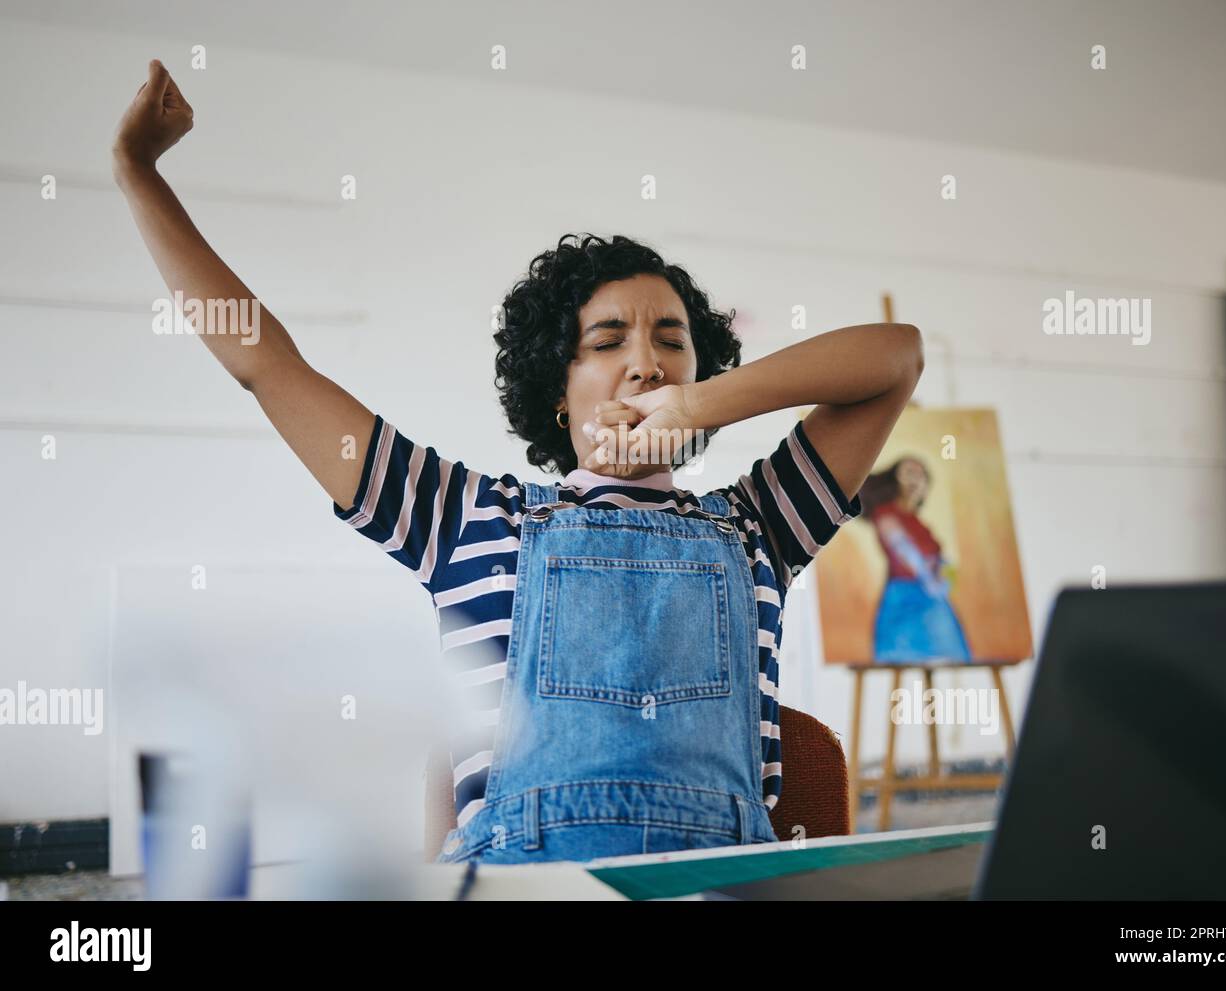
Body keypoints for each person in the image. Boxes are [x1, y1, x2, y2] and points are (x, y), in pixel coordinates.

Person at [112, 59, 925, 864]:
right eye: (608, 343)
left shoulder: (759, 525)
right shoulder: (462, 517)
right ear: (558, 395)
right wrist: (139, 175)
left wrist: (702, 402)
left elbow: (897, 358)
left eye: (672, 343)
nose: (647, 364)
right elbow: (268, 366)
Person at [858, 458, 972, 663]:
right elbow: (901, 547)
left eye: (920, 475)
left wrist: (945, 576)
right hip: (905, 598)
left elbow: (939, 559)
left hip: (933, 600)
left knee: (951, 657)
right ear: (895, 479)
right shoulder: (886, 513)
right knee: (902, 655)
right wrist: (929, 577)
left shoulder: (918, 522)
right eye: (909, 473)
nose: (915, 480)